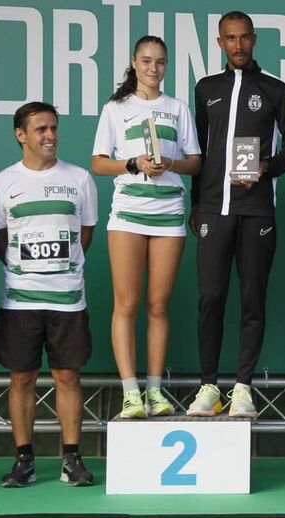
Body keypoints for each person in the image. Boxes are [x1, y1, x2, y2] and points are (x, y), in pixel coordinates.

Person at [187, 11, 285, 417]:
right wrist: (194, 205)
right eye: (229, 39)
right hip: (212, 210)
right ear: (220, 43)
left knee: (252, 299)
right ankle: (207, 387)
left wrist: (265, 167)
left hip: (257, 211)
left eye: (244, 38)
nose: (238, 45)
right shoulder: (205, 89)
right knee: (211, 298)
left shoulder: (275, 89)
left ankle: (242, 388)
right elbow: (195, 152)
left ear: (254, 40)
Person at [0, 102, 98, 487]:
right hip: (20, 300)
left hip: (67, 297)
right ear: (21, 135)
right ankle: (24, 462)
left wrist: (61, 270)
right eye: (40, 130)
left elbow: (85, 235)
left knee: (68, 375)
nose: (49, 136)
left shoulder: (80, 178)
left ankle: (72, 461)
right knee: (22, 377)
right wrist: (25, 270)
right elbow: (0, 240)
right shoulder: (2, 183)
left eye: (53, 128)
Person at [91, 35, 201, 419]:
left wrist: (170, 165)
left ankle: (154, 391)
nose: (154, 69)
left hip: (169, 213)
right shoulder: (116, 108)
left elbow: (195, 162)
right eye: (147, 61)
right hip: (128, 214)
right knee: (127, 304)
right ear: (135, 64)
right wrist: (134, 163)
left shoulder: (178, 108)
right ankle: (130, 393)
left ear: (167, 66)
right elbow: (99, 163)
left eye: (160, 62)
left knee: (157, 306)